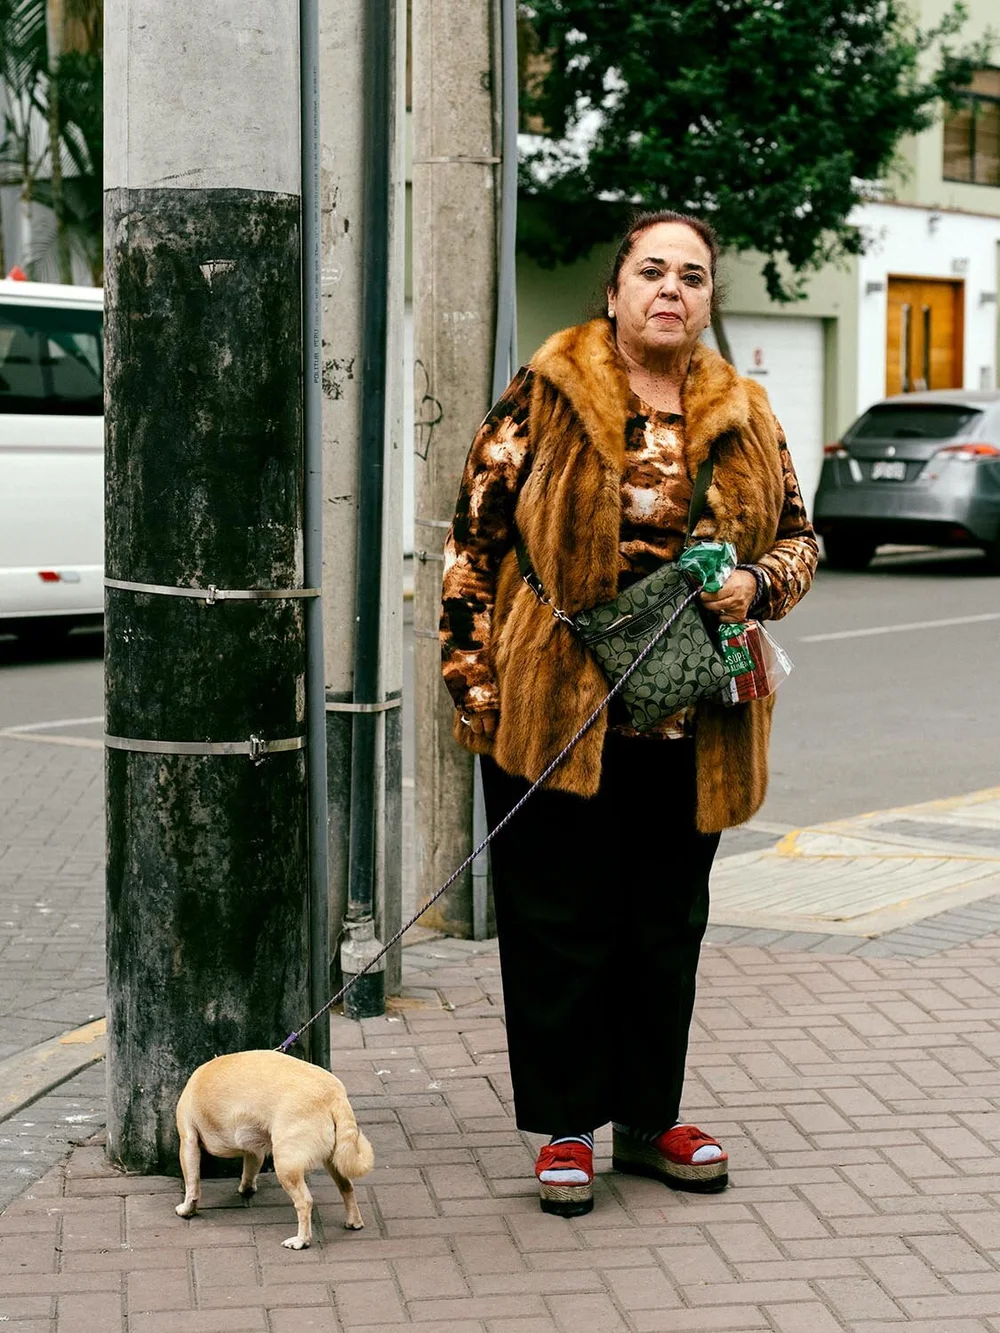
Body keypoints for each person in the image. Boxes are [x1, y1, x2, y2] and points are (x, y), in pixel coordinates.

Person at [439, 210, 817, 1217]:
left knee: (663, 925)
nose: (671, 290)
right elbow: (472, 541)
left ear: (705, 302)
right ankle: (566, 1127)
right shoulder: (546, 392)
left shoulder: (746, 411)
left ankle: (649, 1122)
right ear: (612, 290)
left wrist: (753, 580)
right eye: (652, 270)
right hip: (555, 707)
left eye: (691, 276)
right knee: (561, 922)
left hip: (692, 721)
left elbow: (798, 539)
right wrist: (474, 688)